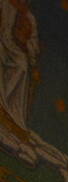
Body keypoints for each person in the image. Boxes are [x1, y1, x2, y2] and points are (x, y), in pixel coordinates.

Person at [0, 0, 38, 137]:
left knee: (22, 65)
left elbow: (33, 44)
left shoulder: (29, 17)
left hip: (16, 50)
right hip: (3, 44)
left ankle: (10, 110)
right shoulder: (5, 3)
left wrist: (26, 42)